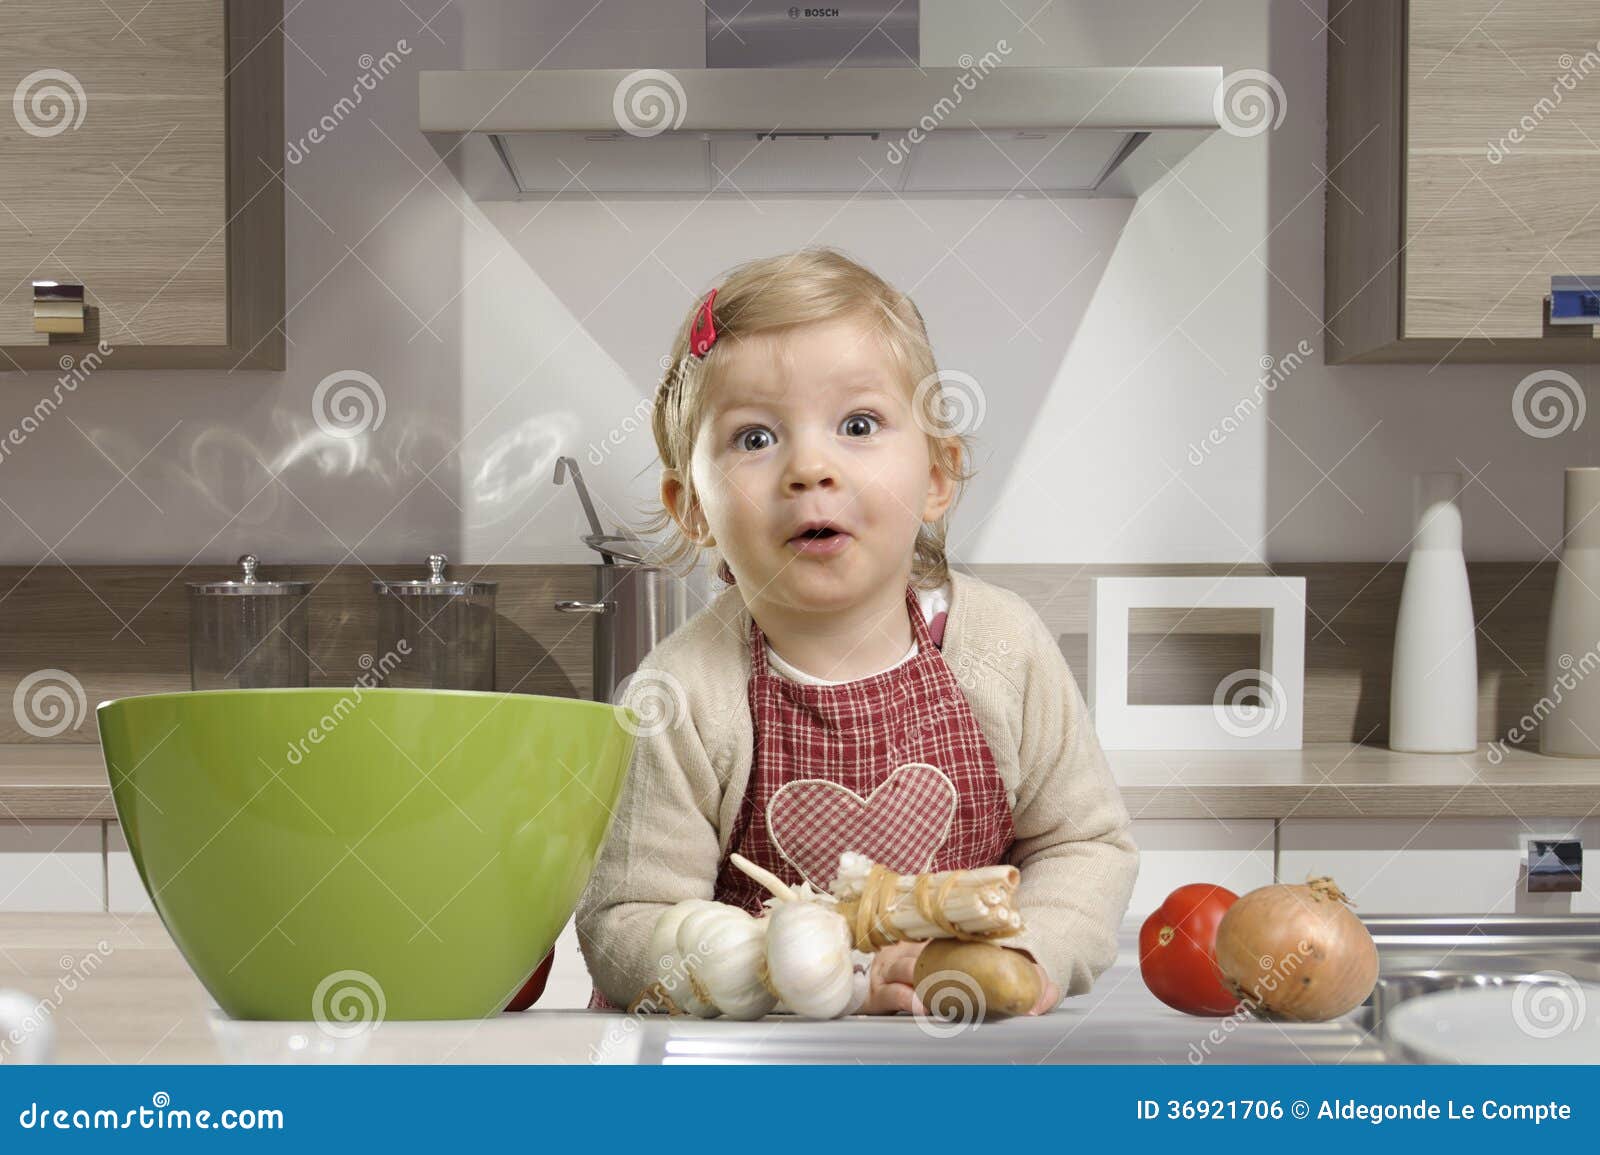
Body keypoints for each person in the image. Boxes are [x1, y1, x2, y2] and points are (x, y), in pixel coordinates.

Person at [576, 246, 1137, 1016]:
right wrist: (781, 977)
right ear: (693, 507)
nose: (810, 466)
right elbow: (623, 924)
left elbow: (1085, 845)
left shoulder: (1005, 647)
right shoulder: (683, 695)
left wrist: (1026, 955)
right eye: (754, 438)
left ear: (938, 475)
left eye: (859, 423)